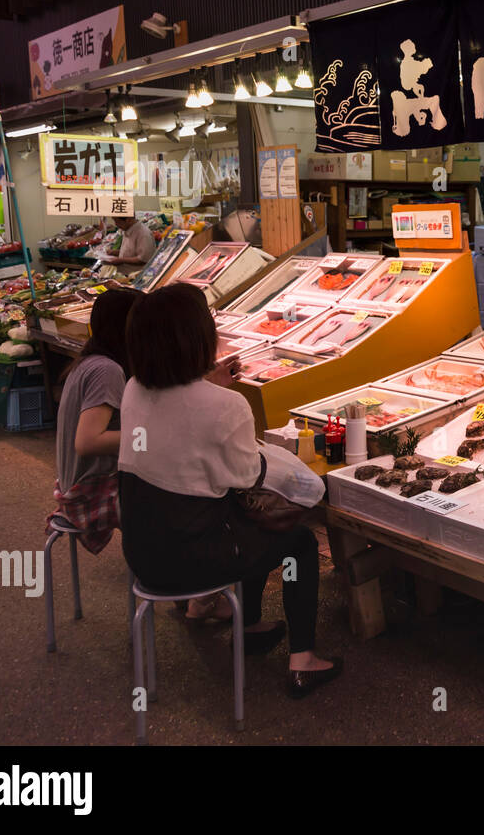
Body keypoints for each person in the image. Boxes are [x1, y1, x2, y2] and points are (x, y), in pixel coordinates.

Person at [118, 283, 342, 698]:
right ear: (197, 337)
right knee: (297, 541)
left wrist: (209, 387)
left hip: (142, 551)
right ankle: (303, 660)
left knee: (241, 522)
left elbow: (177, 429)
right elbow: (246, 477)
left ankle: (251, 625)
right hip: (194, 559)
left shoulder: (133, 388)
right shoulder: (224, 405)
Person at [48, 288, 142, 555]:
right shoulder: (107, 370)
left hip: (76, 485)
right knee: (182, 505)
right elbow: (88, 442)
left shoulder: (90, 361)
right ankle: (190, 589)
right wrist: (147, 438)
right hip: (88, 493)